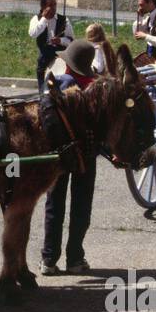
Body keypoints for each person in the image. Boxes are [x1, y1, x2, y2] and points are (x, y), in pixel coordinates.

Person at [39, 39, 98, 276]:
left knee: (54, 205)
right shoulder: (95, 88)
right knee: (81, 206)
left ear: (69, 65)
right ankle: (75, 257)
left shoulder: (59, 83)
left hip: (60, 152)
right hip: (86, 154)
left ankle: (49, 259)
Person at [28, 0, 73, 93]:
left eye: (55, 5)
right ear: (43, 7)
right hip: (45, 52)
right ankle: (42, 94)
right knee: (41, 68)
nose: (53, 8)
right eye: (50, 5)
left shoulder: (64, 20)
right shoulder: (37, 19)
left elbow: (71, 40)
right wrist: (44, 19)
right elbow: (33, 34)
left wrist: (60, 40)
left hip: (61, 52)